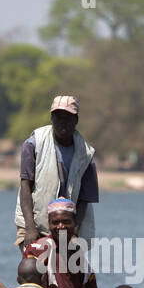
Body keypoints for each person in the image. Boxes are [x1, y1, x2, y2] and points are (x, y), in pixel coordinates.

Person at [14, 94, 99, 247]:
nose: (62, 123)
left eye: (67, 118)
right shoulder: (34, 143)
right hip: (33, 220)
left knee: (66, 267)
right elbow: (25, 186)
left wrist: (73, 233)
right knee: (32, 267)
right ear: (51, 118)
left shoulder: (86, 154)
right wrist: (30, 228)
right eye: (58, 117)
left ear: (76, 121)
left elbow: (84, 200)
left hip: (68, 226)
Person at [23, 198, 100, 288]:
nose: (61, 226)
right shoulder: (37, 250)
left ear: (75, 223)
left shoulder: (79, 256)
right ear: (49, 224)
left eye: (66, 222)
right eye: (55, 222)